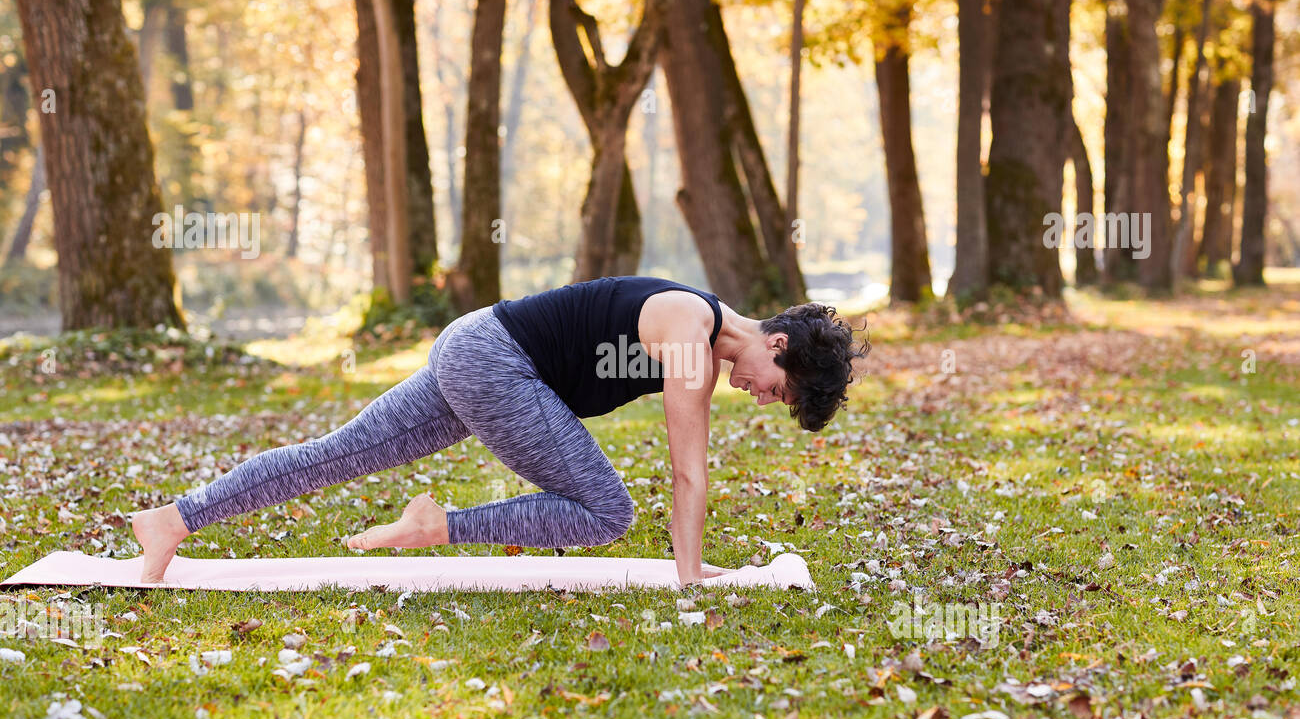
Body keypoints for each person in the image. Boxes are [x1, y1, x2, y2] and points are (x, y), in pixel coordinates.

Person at [130, 276, 868, 586]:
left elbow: (688, 466)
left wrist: (692, 566)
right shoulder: (689, 327)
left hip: (477, 348)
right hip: (495, 362)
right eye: (781, 390)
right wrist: (689, 576)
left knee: (336, 455)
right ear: (778, 346)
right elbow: (687, 470)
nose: (766, 398)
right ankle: (436, 526)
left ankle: (172, 520)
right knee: (606, 512)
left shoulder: (700, 347)